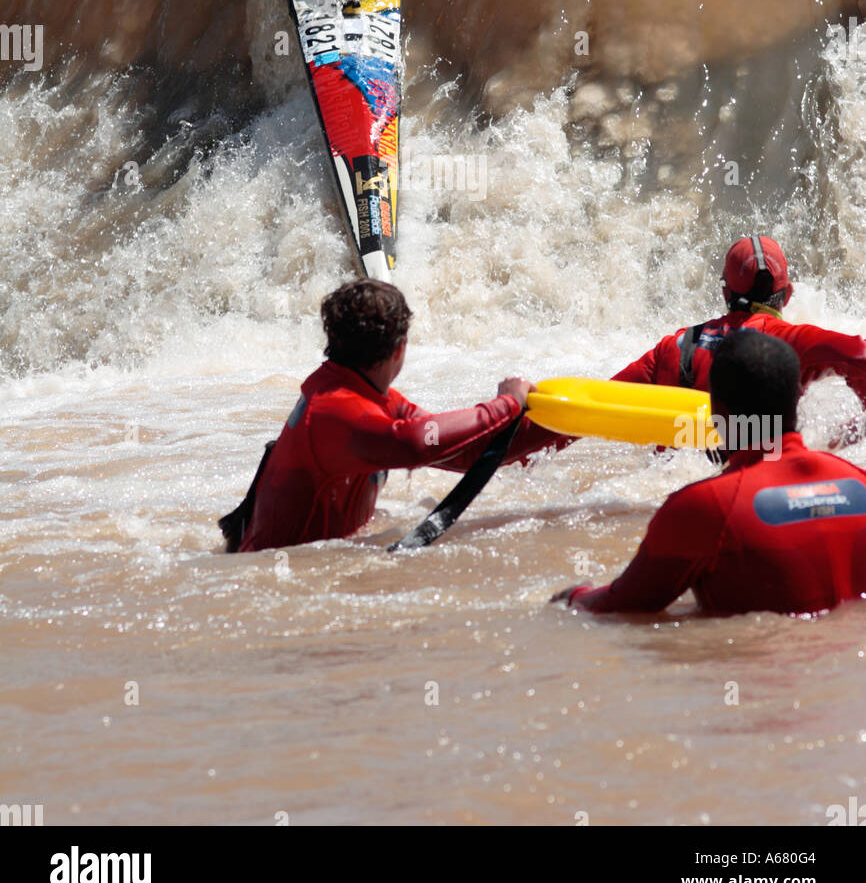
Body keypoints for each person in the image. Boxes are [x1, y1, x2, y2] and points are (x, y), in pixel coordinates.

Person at [220, 278, 569, 552]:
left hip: (303, 572)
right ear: (400, 348)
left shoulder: (358, 395)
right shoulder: (334, 410)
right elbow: (415, 444)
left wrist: (587, 422)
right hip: (280, 584)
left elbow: (467, 452)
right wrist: (505, 404)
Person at [554, 329, 866, 615]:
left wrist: (569, 597)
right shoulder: (858, 482)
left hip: (762, 670)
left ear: (717, 414)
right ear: (796, 400)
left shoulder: (702, 508)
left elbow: (617, 608)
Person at [611, 234, 866, 414]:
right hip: (760, 479)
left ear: (725, 293)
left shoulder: (674, 346)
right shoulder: (793, 344)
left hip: (679, 479)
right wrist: (854, 431)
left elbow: (600, 400)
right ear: (787, 296)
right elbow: (861, 356)